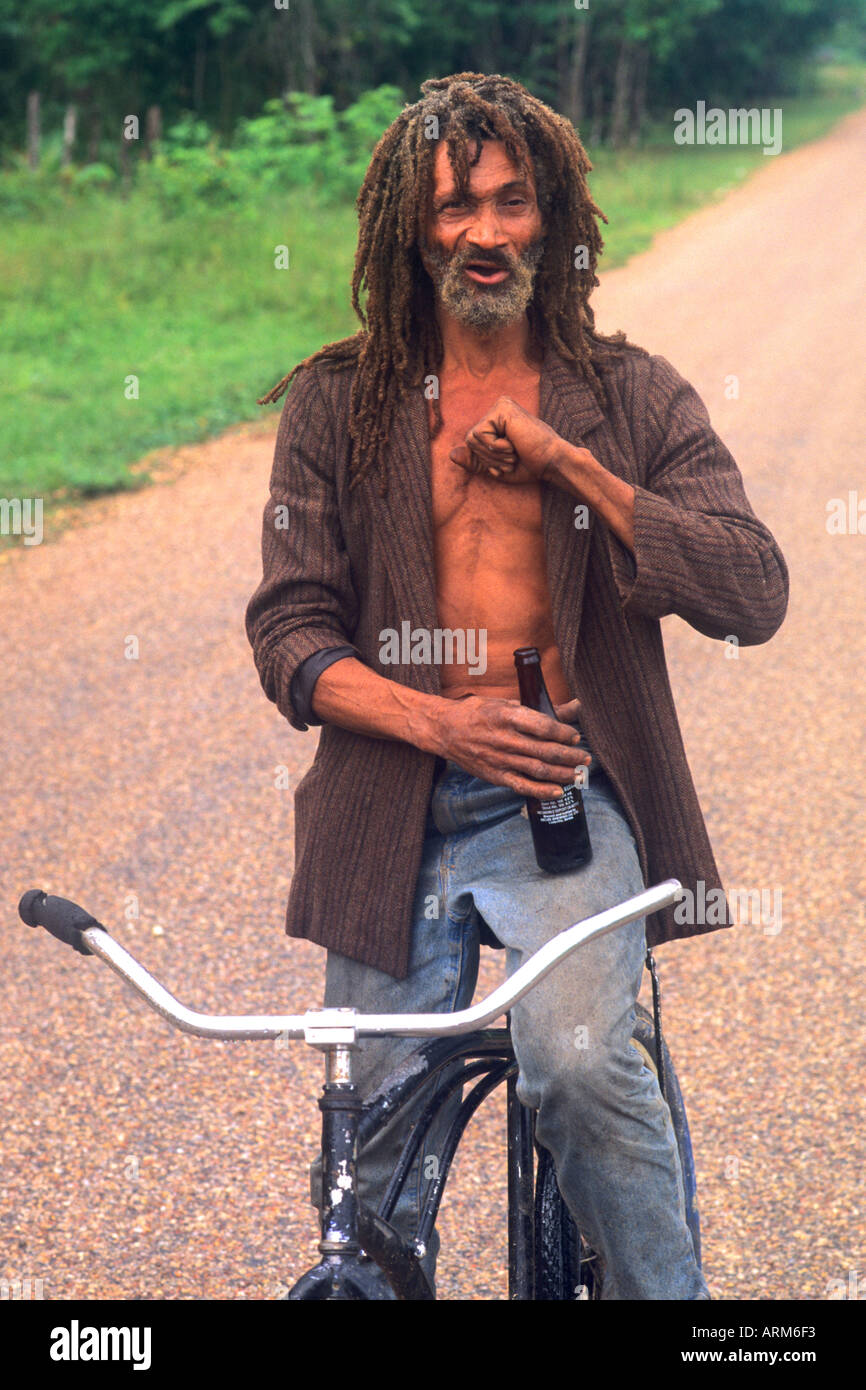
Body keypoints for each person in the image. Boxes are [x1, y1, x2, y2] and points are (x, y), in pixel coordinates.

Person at [245, 72, 788, 1299]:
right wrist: (445, 722)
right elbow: (288, 632)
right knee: (371, 1151)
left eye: (509, 203)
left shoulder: (631, 393)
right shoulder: (340, 402)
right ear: (410, 230)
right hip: (393, 802)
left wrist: (573, 466)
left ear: (550, 221)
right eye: (452, 210)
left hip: (563, 803)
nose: (483, 234)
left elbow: (752, 591)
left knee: (584, 1072)